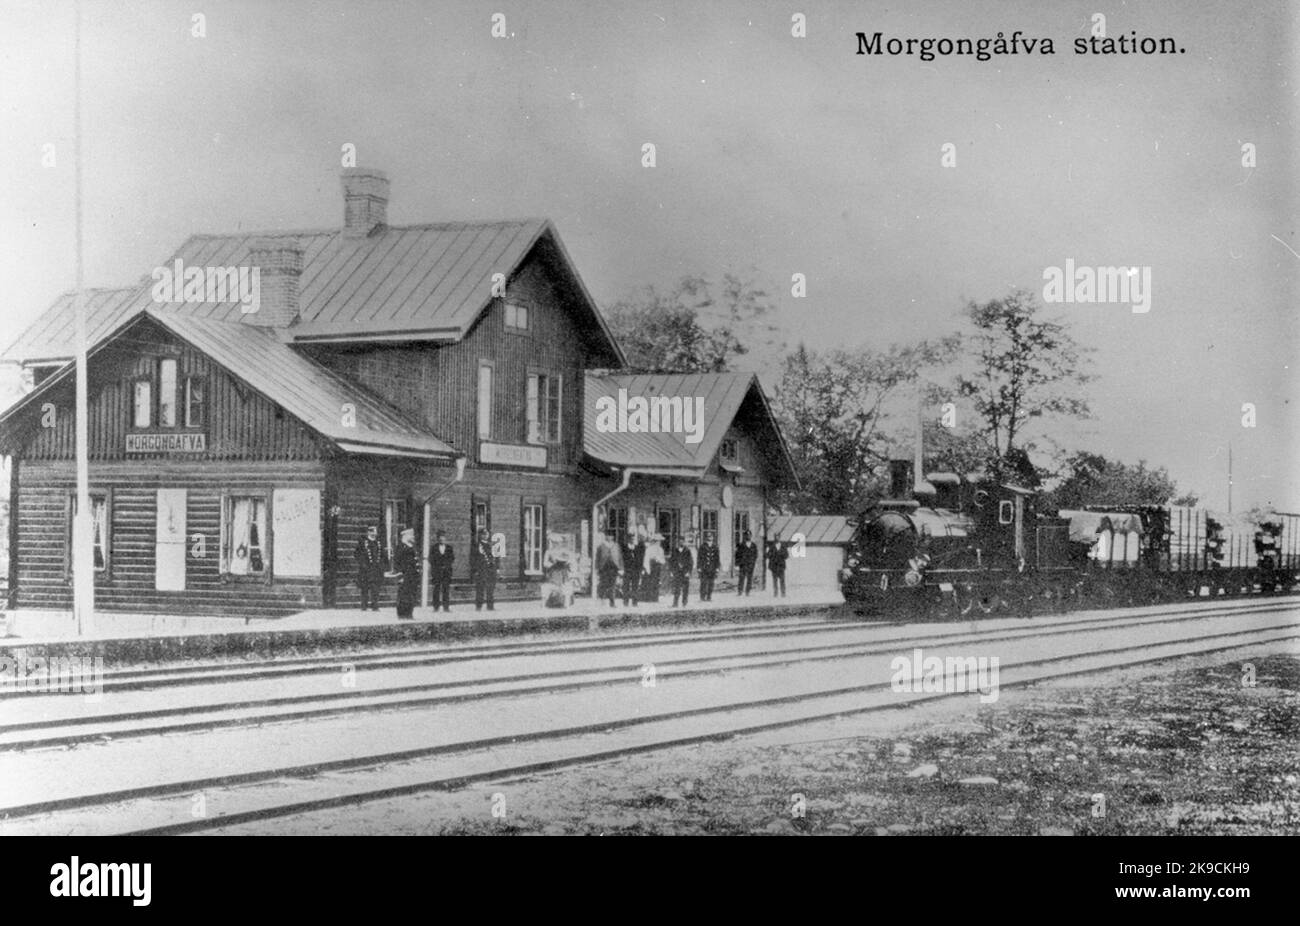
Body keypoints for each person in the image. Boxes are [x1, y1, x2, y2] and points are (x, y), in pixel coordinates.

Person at [354, 524, 385, 611]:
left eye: (375, 532)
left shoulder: (378, 543)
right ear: (369, 532)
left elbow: (383, 556)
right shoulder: (363, 542)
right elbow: (356, 554)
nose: (374, 534)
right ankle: (364, 606)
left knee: (375, 588)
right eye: (373, 532)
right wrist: (362, 564)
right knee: (365, 588)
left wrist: (382, 566)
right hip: (366, 570)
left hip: (376, 570)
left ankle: (375, 606)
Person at [392, 526, 420, 620]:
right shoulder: (401, 547)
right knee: (403, 595)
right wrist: (400, 575)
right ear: (406, 536)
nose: (413, 537)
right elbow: (397, 562)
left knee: (411, 595)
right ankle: (402, 614)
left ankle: (409, 613)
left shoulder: (411, 546)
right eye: (411, 535)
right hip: (405, 575)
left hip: (412, 576)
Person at [471, 527, 498, 611]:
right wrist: (475, 570)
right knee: (480, 589)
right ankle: (478, 606)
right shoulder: (477, 545)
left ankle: (490, 606)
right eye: (483, 534)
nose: (485, 536)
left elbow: (496, 558)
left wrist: (497, 568)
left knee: (491, 589)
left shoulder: (491, 545)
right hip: (481, 570)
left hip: (491, 570)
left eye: (486, 534)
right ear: (480, 535)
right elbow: (473, 559)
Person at [428, 530, 454, 612]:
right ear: (438, 539)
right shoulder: (434, 548)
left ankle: (446, 607)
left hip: (446, 572)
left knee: (446, 589)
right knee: (436, 589)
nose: (442, 539)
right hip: (437, 572)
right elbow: (431, 559)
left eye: (443, 537)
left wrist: (446, 565)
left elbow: (452, 558)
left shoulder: (449, 548)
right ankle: (436, 607)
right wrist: (437, 566)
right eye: (440, 537)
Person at [595, 530, 624, 607]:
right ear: (605, 536)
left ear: (613, 537)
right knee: (603, 584)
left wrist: (621, 567)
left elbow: (620, 557)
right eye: (608, 535)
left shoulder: (616, 546)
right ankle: (602, 600)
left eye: (611, 536)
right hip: (604, 567)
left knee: (613, 585)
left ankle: (612, 602)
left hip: (613, 568)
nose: (609, 537)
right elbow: (597, 558)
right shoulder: (601, 546)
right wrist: (597, 568)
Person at [619, 529, 645, 606]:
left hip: (635, 570)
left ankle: (635, 602)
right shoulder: (624, 548)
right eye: (630, 538)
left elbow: (640, 559)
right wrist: (621, 568)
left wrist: (641, 569)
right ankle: (625, 602)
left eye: (633, 539)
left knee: (635, 586)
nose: (632, 540)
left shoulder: (637, 548)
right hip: (627, 569)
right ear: (628, 539)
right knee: (626, 586)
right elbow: (621, 558)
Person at [668, 535, 694, 607]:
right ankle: (675, 603)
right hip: (677, 572)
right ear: (678, 542)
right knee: (677, 588)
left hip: (685, 572)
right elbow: (671, 562)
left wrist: (689, 572)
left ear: (684, 542)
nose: (681, 542)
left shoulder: (687, 551)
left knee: (685, 588)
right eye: (679, 541)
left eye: (682, 541)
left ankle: (684, 602)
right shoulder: (674, 551)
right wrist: (671, 571)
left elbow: (691, 562)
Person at [641, 533, 666, 602]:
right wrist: (647, 569)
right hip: (650, 566)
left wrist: (659, 560)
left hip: (657, 567)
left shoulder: (661, 550)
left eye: (659, 541)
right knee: (649, 583)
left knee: (656, 582)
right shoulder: (649, 549)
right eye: (657, 541)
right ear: (654, 541)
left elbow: (663, 560)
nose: (658, 543)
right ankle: (648, 598)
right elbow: (646, 559)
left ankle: (655, 598)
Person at [697, 531, 720, 602]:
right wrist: (699, 567)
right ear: (706, 538)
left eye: (710, 536)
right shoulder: (702, 546)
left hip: (712, 568)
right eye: (708, 537)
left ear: (713, 538)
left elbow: (717, 558)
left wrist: (717, 568)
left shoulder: (715, 547)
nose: (709, 538)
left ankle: (709, 597)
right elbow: (699, 558)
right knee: (703, 583)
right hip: (704, 568)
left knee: (711, 583)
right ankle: (702, 597)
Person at [767, 531, 789, 597]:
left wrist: (781, 554)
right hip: (774, 566)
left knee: (782, 580)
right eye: (775, 536)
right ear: (774, 538)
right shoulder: (772, 546)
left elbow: (786, 555)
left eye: (778, 536)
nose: (777, 538)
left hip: (781, 566)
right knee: (775, 581)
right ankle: (775, 593)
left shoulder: (783, 546)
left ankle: (783, 593)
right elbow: (768, 555)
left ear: (780, 537)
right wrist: (772, 555)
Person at [736, 530, 758, 596]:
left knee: (749, 578)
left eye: (749, 535)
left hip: (751, 564)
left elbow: (755, 555)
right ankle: (740, 591)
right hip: (743, 564)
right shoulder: (741, 545)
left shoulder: (754, 545)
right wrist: (737, 564)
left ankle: (747, 591)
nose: (748, 536)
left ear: (751, 536)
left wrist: (754, 563)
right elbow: (737, 555)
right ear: (744, 536)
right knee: (741, 578)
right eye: (747, 535)